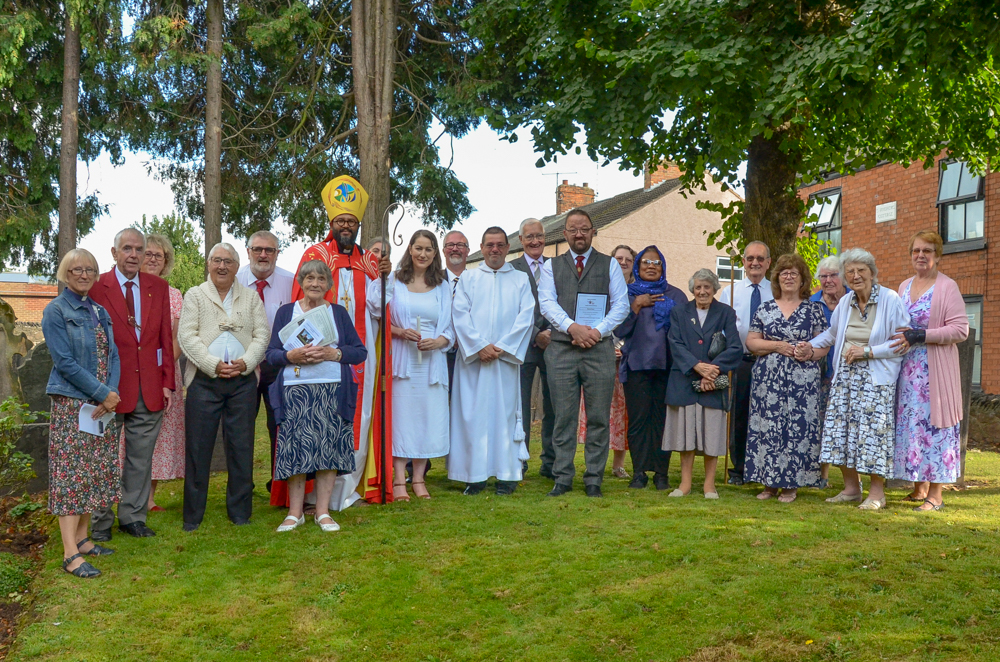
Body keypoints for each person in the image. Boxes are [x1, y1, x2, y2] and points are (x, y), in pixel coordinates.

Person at [287, 176, 387, 509]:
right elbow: (299, 303)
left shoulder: (371, 262)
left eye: (351, 221)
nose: (346, 226)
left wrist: (386, 278)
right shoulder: (315, 256)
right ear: (331, 223)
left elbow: (382, 308)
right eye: (340, 221)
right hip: (320, 352)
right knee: (319, 416)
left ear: (358, 224)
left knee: (358, 417)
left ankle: (348, 492)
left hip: (361, 353)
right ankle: (314, 496)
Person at [797, 248, 910, 511]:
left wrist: (867, 352)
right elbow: (832, 335)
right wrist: (807, 345)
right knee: (841, 432)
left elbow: (901, 343)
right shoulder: (847, 302)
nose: (856, 275)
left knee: (872, 434)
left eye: (861, 270)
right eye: (850, 271)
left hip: (876, 376)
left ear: (873, 273)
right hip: (845, 375)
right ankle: (850, 489)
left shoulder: (890, 299)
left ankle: (877, 494)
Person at [265, 260, 368, 532]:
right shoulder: (287, 312)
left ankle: (322, 512)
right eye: (309, 278)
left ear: (329, 285)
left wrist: (335, 353)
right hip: (295, 392)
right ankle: (295, 512)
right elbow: (271, 354)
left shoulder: (338, 313)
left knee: (328, 450)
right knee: (296, 449)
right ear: (300, 282)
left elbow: (360, 352)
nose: (315, 284)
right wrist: (291, 355)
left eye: (321, 280)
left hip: (332, 390)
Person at [89, 228, 175, 541]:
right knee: (103, 457)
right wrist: (95, 388)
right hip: (107, 389)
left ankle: (132, 517)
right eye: (127, 248)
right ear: (114, 253)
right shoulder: (99, 287)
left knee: (140, 458)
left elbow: (165, 338)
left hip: (149, 387)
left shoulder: (158, 287)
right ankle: (100, 522)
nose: (134, 255)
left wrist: (167, 382)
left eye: (139, 249)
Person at [538, 208, 629, 498]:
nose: (579, 234)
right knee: (563, 416)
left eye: (584, 228)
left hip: (599, 350)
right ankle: (562, 477)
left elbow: (621, 305)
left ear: (593, 231)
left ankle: (593, 479)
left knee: (599, 417)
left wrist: (596, 332)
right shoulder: (551, 267)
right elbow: (547, 304)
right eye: (573, 229)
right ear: (564, 234)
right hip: (562, 350)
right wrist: (573, 328)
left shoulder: (610, 265)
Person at [178, 243, 269, 530]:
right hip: (204, 382)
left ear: (236, 266)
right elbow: (187, 336)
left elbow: (262, 334)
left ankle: (240, 513)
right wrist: (212, 364)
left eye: (228, 262)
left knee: (241, 447)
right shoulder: (194, 295)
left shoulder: (251, 297)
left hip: (242, 382)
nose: (222, 267)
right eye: (217, 261)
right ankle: (193, 516)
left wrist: (246, 362)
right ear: (209, 264)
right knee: (198, 448)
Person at [44, 249, 122, 578]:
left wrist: (111, 394)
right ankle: (70, 554)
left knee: (93, 472)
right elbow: (65, 363)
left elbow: (113, 355)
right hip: (73, 403)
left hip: (101, 405)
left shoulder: (99, 310)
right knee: (70, 476)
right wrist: (103, 392)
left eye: (90, 269)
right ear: (65, 273)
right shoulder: (56, 310)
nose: (84, 274)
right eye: (77, 270)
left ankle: (84, 539)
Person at [449, 227, 536, 495]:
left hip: (504, 362)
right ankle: (474, 477)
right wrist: (478, 346)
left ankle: (507, 475)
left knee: (505, 417)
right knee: (472, 417)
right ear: (482, 247)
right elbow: (459, 314)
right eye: (490, 245)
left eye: (500, 245)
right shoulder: (469, 279)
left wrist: (503, 347)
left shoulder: (521, 279)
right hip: (474, 363)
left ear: (508, 248)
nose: (495, 249)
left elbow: (526, 316)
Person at [370, 230, 454, 501]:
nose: (423, 254)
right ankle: (398, 480)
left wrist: (439, 341)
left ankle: (418, 478)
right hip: (403, 362)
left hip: (431, 363)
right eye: (418, 248)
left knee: (427, 419)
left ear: (435, 253)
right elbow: (375, 311)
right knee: (402, 420)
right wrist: (399, 331)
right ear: (410, 249)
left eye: (429, 249)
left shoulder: (442, 284)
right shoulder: (394, 279)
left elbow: (451, 326)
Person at [891, 231, 968, 511]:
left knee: (936, 429)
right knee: (912, 427)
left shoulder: (948, 287)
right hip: (907, 370)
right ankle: (918, 487)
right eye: (916, 251)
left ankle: (935, 495)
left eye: (927, 251)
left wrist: (921, 336)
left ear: (938, 256)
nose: (921, 256)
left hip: (934, 371)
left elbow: (960, 329)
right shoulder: (903, 286)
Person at [744, 254, 830, 503]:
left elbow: (824, 344)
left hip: (802, 382)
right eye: (784, 273)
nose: (789, 277)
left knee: (797, 429)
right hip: (767, 381)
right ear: (777, 278)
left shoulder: (813, 309)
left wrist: (810, 352)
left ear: (803, 279)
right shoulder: (765, 308)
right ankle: (769, 483)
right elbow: (751, 342)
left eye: (794, 273)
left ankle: (791, 484)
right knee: (768, 428)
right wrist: (778, 345)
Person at [664, 269, 743, 498]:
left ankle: (709, 485)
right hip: (684, 380)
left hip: (713, 384)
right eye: (698, 287)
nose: (702, 291)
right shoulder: (679, 312)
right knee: (686, 435)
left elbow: (735, 347)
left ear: (715, 289)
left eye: (707, 287)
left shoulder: (726, 312)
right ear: (692, 289)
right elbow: (675, 343)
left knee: (712, 434)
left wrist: (713, 370)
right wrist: (697, 367)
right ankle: (685, 484)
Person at [616, 245, 688, 490]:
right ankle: (639, 473)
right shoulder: (626, 294)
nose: (650, 266)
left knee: (662, 421)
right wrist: (636, 305)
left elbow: (684, 333)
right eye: (645, 261)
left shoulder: (676, 296)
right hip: (636, 366)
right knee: (638, 421)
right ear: (637, 266)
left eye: (656, 262)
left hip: (667, 367)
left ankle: (661, 473)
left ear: (663, 267)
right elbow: (619, 330)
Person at [236, 230, 294, 493]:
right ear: (247, 251)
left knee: (279, 424)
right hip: (242, 364)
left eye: (269, 250)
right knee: (241, 427)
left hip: (278, 363)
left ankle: (279, 484)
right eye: (257, 249)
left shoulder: (291, 282)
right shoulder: (233, 281)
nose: (263, 254)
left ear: (277, 253)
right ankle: (242, 485)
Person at [576, 245, 634, 478]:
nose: (623, 262)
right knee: (597, 411)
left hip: (627, 362)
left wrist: (624, 349)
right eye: (618, 258)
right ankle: (592, 463)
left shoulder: (639, 291)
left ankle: (618, 464)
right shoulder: (600, 286)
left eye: (628, 259)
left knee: (623, 413)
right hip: (597, 353)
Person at [718, 241, 773, 485]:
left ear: (768, 263)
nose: (755, 263)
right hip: (740, 361)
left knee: (766, 416)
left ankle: (763, 468)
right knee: (739, 416)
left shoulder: (776, 291)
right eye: (750, 258)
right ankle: (738, 469)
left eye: (760, 258)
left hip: (769, 362)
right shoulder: (730, 291)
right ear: (743, 262)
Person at [139, 234, 185, 511]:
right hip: (133, 373)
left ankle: (149, 497)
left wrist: (161, 370)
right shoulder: (127, 290)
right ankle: (128, 493)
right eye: (148, 254)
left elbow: (177, 339)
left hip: (165, 373)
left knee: (159, 435)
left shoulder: (174, 294)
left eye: (160, 255)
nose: (153, 259)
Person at [510, 218, 554, 478]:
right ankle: (520, 460)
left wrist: (551, 333)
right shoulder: (511, 269)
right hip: (524, 346)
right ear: (521, 240)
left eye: (539, 236)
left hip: (554, 345)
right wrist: (536, 333)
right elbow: (511, 307)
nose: (535, 241)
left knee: (554, 405)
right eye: (530, 237)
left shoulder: (556, 266)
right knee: (521, 407)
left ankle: (550, 462)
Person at [810, 255, 846, 487]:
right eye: (823, 276)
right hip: (819, 374)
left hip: (848, 372)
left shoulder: (854, 300)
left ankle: (851, 481)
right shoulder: (811, 303)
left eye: (833, 275)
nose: (828, 280)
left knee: (846, 425)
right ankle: (821, 477)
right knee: (820, 424)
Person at [442, 230, 470, 388]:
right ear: (443, 250)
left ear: (468, 251)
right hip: (439, 352)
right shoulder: (432, 280)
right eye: (450, 245)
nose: (455, 248)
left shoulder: (477, 282)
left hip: (469, 353)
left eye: (460, 245)